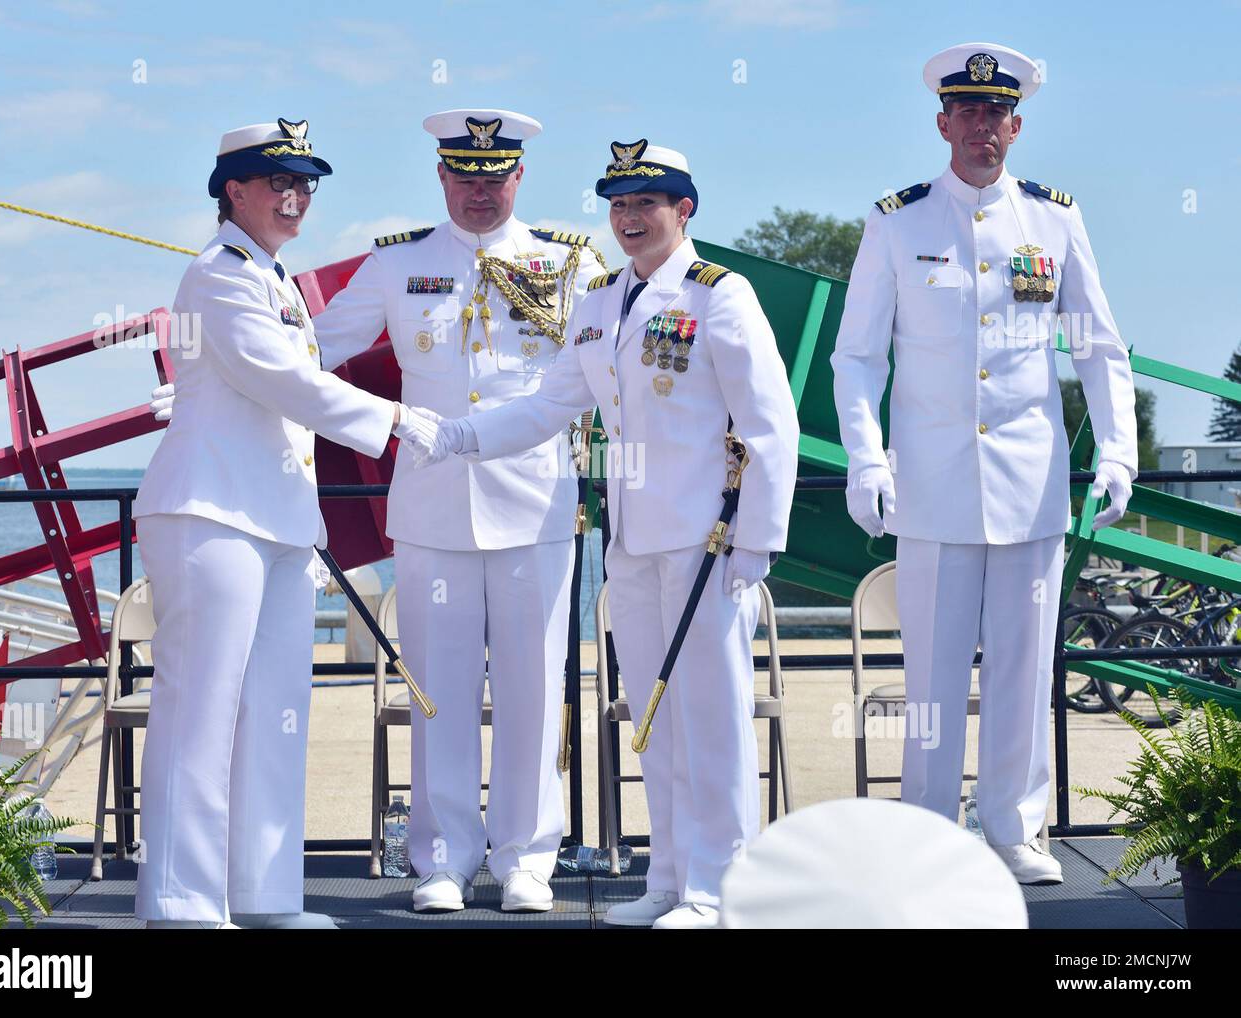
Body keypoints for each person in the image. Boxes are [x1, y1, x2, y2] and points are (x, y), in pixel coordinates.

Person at [419, 141, 799, 928]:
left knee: (713, 719)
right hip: (630, 545)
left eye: (646, 205)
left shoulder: (720, 297)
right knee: (655, 719)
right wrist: (458, 437)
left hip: (706, 547)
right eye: (619, 205)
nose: (629, 219)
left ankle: (719, 889)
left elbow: (773, 426)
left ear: (683, 210)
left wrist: (759, 543)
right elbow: (546, 408)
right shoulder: (596, 303)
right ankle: (668, 878)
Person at [830, 43, 1138, 884]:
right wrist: (867, 459)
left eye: (994, 113)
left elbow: (1098, 346)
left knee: (1023, 663)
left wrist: (1118, 449)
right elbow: (856, 357)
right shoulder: (898, 220)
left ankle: (1013, 828)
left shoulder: (1055, 219)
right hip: (929, 487)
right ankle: (928, 833)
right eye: (965, 111)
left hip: (1031, 485)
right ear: (942, 122)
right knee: (929, 675)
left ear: (1016, 125)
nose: (980, 127)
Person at [133, 119, 438, 929]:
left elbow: (288, 375)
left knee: (274, 713)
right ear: (233, 191)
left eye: (306, 182)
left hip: (274, 521)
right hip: (209, 513)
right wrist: (398, 420)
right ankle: (181, 903)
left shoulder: (271, 280)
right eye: (279, 181)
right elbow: (281, 380)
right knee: (200, 714)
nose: (297, 195)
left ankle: (265, 898)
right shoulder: (221, 275)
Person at [312, 109, 604, 913]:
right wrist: (217, 378)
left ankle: (526, 859)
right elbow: (314, 350)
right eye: (465, 177)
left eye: (496, 176)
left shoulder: (568, 263)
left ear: (520, 178)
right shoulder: (396, 263)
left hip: (535, 501)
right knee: (436, 687)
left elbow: (601, 368)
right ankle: (441, 858)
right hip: (433, 505)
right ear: (442, 178)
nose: (480, 192)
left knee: (533, 689)